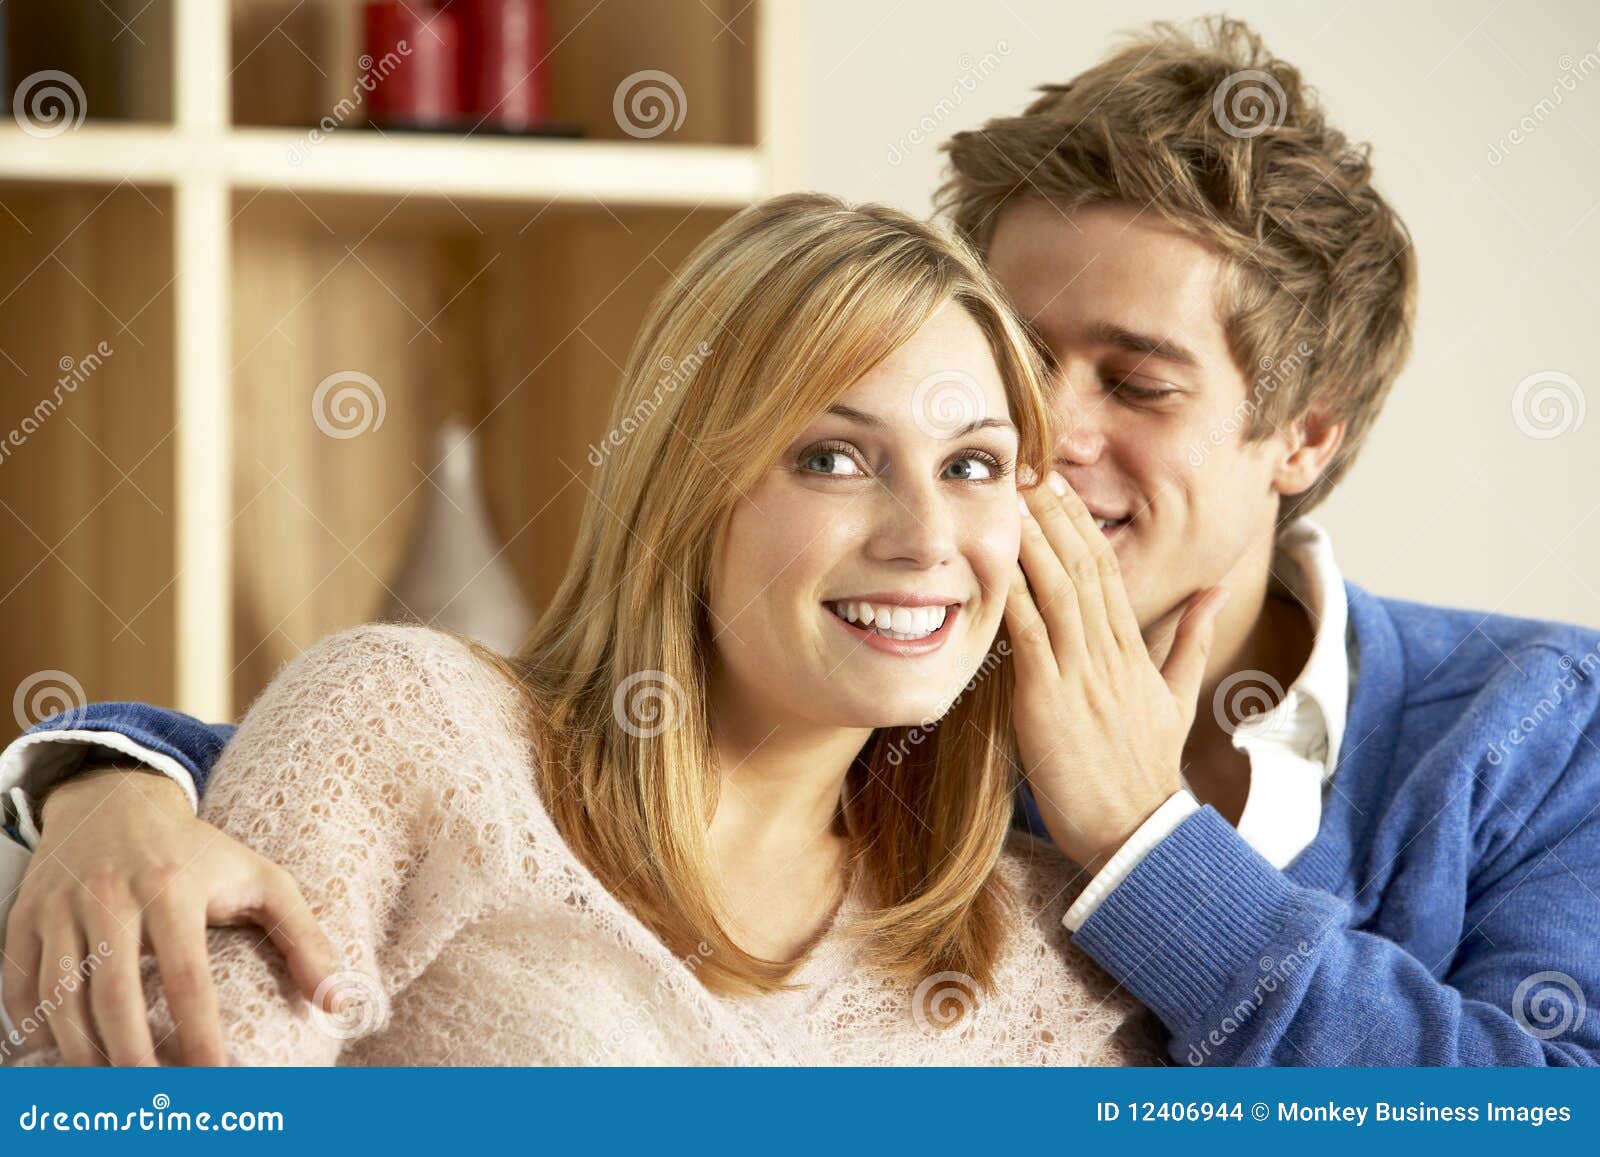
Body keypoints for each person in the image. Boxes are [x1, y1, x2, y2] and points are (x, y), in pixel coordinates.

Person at [7, 16, 1600, 1067]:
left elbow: (1542, 1107)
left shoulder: (1536, 725)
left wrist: (1144, 848)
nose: (1045, 441)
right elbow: (475, 762)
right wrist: (105, 778)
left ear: (1306, 432)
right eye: (1012, 370)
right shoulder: (906, 659)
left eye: (1134, 379)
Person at [2, 192, 1206, 1066]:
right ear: (689, 489)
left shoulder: (1039, 958)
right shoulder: (414, 728)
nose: (925, 536)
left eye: (974, 465)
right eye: (833, 457)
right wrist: (100, 780)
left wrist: (1150, 833)